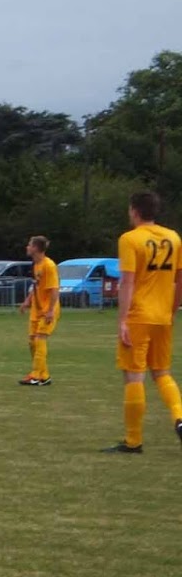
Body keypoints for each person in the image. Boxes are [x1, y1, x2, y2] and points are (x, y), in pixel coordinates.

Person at [105, 191, 182, 454]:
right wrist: (172, 310)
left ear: (135, 211)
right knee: (162, 373)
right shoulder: (174, 237)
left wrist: (123, 320)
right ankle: (179, 418)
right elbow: (179, 279)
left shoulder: (130, 239)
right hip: (162, 317)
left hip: (139, 315)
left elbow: (127, 281)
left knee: (134, 376)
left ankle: (133, 440)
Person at [18, 235, 58, 386]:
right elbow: (36, 286)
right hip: (36, 309)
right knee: (32, 342)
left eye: (29, 245)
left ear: (35, 248)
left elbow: (54, 290)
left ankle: (35, 375)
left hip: (47, 310)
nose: (27, 247)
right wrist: (27, 301)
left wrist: (51, 311)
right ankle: (44, 375)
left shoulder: (49, 265)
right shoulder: (36, 265)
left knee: (40, 339)